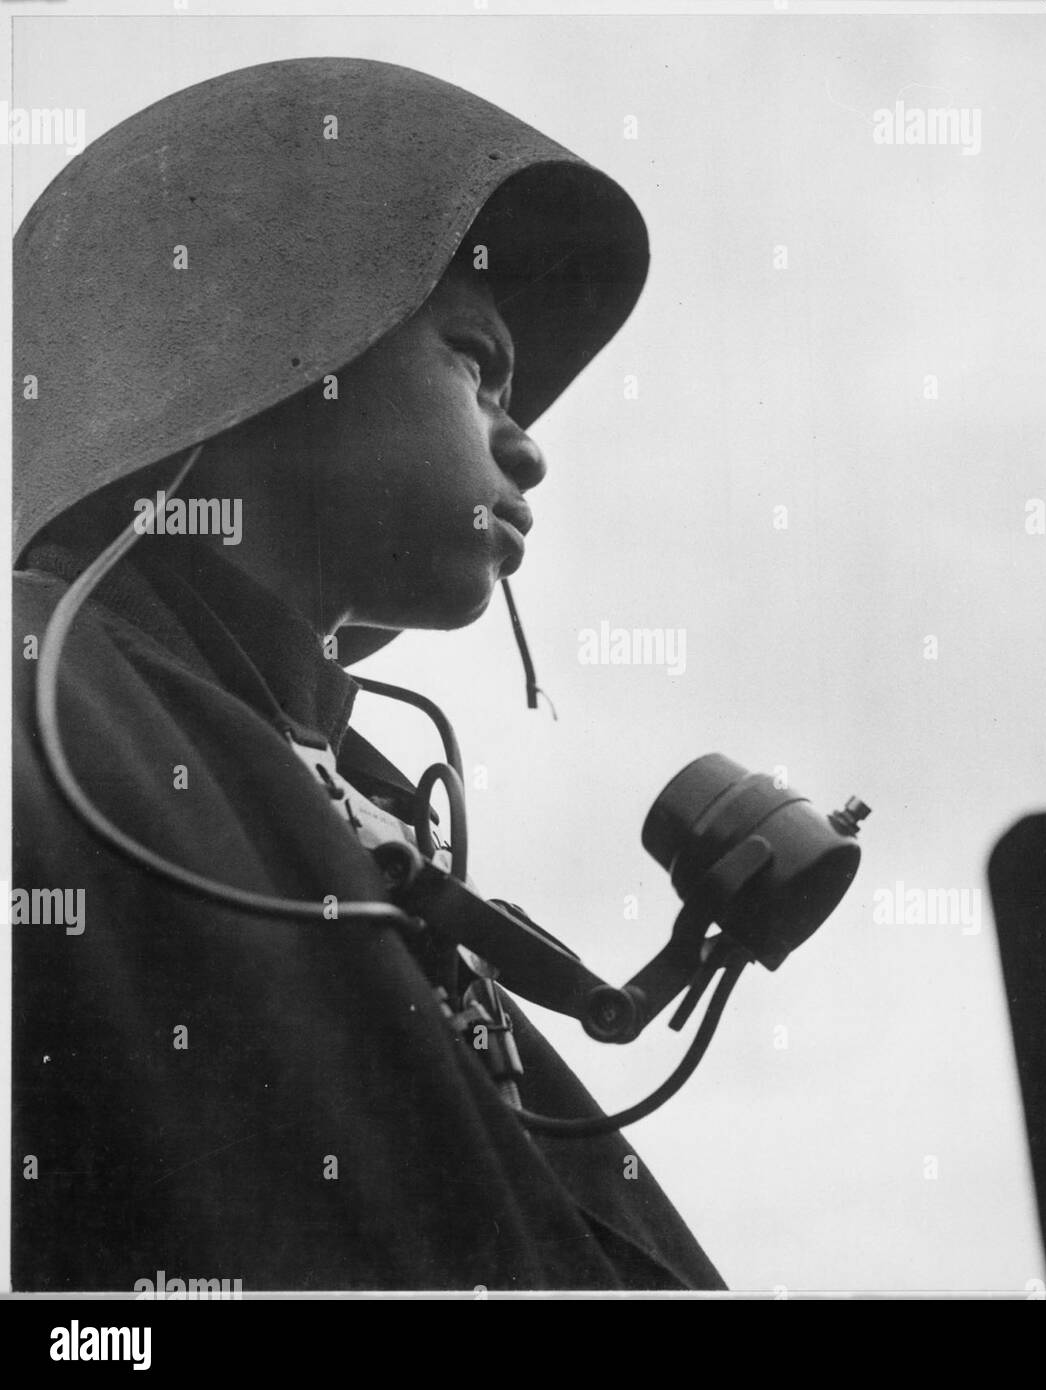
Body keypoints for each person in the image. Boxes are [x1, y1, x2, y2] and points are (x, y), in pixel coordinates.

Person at [11, 56, 724, 1292]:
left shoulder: (351, 801)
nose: (528, 448)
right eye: (477, 364)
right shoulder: (38, 706)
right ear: (261, 340)